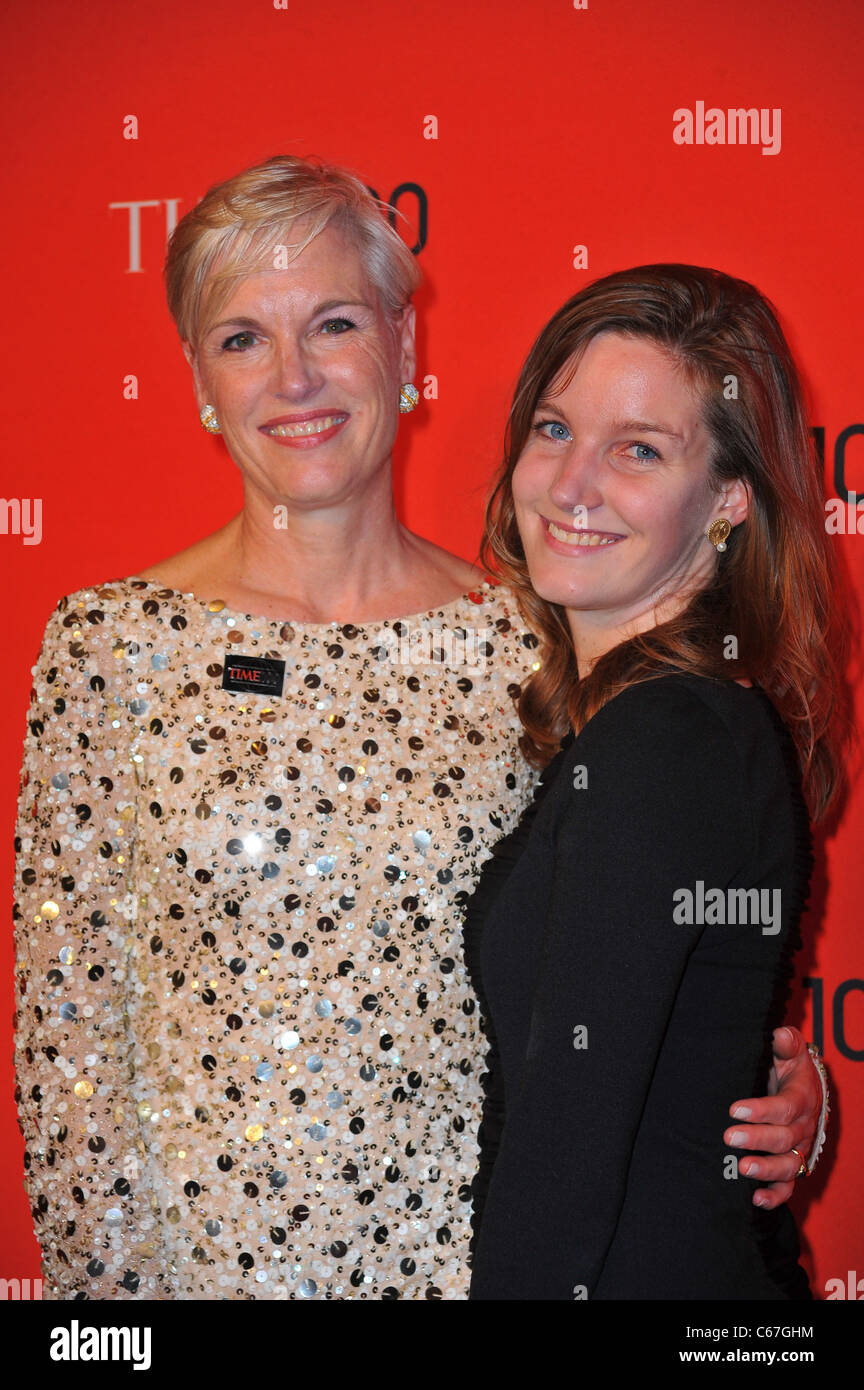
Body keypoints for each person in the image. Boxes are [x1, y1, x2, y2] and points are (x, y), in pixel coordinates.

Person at [13, 158, 825, 1301]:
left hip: (481, 1274)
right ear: (197, 377)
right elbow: (71, 1059)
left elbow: (654, 956)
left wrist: (785, 1090)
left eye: (333, 322)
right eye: (243, 337)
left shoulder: (537, 648)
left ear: (404, 347)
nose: (294, 377)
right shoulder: (109, 650)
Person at [463, 264, 845, 1300]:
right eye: (554, 429)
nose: (573, 483)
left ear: (728, 501)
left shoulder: (665, 741)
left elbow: (567, 1154)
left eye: (637, 449)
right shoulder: (655, 721)